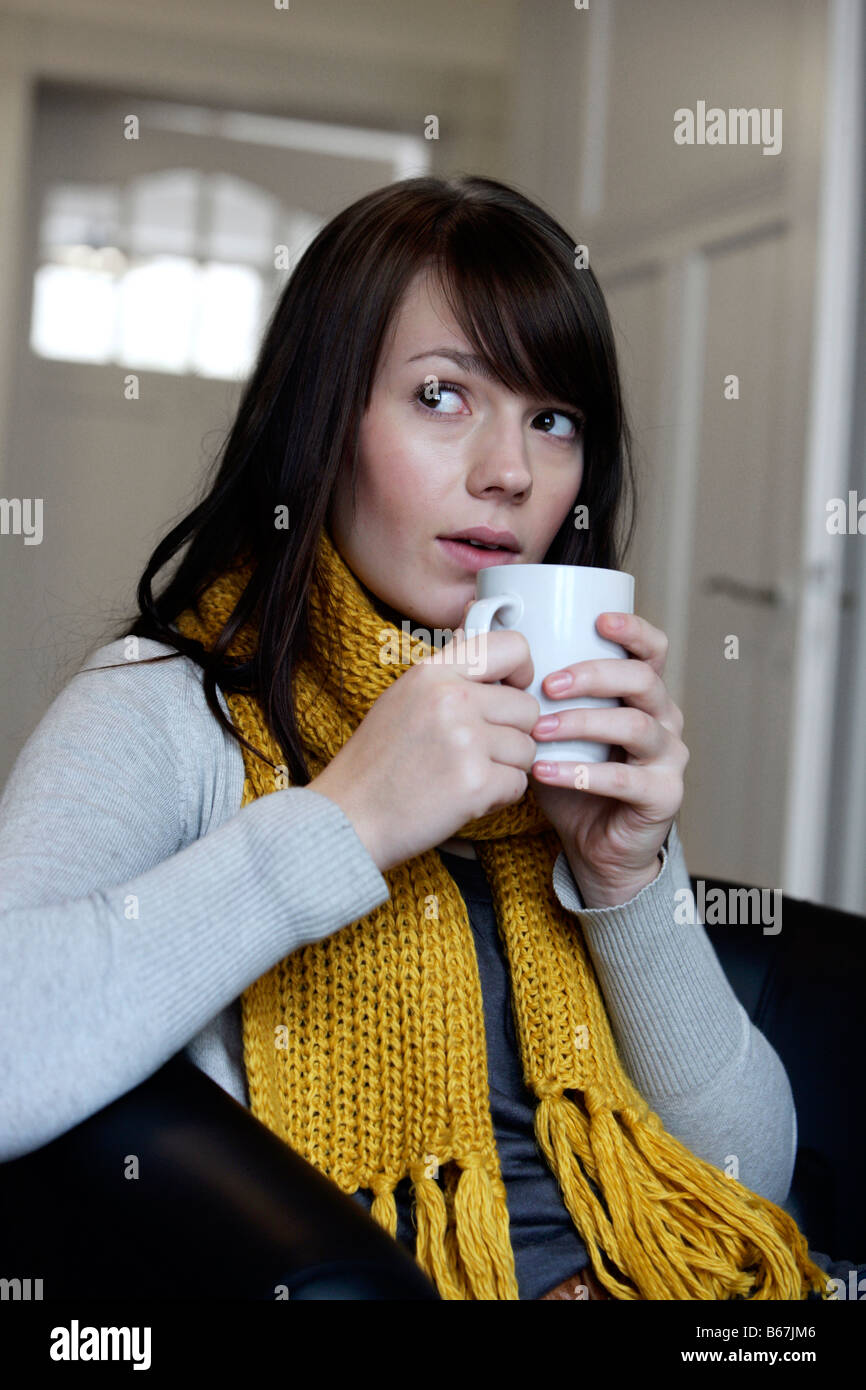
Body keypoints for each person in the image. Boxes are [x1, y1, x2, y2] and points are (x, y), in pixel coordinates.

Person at [0, 174, 838, 1300]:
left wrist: (627, 878)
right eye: (443, 396)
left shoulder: (561, 710)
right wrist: (348, 821)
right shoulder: (164, 706)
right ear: (321, 417)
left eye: (552, 419)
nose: (509, 469)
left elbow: (752, 1177)